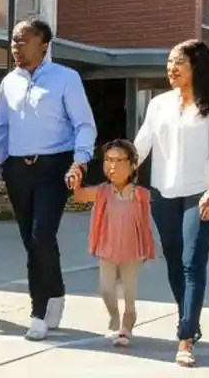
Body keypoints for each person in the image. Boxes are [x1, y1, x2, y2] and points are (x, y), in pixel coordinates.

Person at [134, 39, 209, 368]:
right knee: (175, 263)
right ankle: (188, 319)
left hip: (201, 193)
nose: (171, 68)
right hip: (163, 193)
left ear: (197, 66)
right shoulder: (159, 104)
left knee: (193, 262)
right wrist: (119, 168)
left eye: (179, 62)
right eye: (168, 62)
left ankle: (185, 336)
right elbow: (143, 143)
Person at [0, 19, 97, 341]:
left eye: (23, 40)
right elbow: (2, 129)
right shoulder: (8, 82)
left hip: (55, 167)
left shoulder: (66, 78)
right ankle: (55, 291)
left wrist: (79, 162)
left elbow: (84, 124)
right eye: (13, 40)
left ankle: (38, 312)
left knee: (42, 234)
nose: (16, 47)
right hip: (17, 170)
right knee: (32, 241)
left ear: (44, 44)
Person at [68, 139, 155, 348]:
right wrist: (76, 181)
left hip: (132, 252)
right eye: (108, 160)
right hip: (107, 250)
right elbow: (80, 196)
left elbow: (147, 223)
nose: (112, 166)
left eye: (118, 160)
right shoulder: (102, 191)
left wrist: (147, 248)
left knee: (129, 293)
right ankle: (115, 316)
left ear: (132, 165)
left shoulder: (141, 195)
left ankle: (126, 326)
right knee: (106, 290)